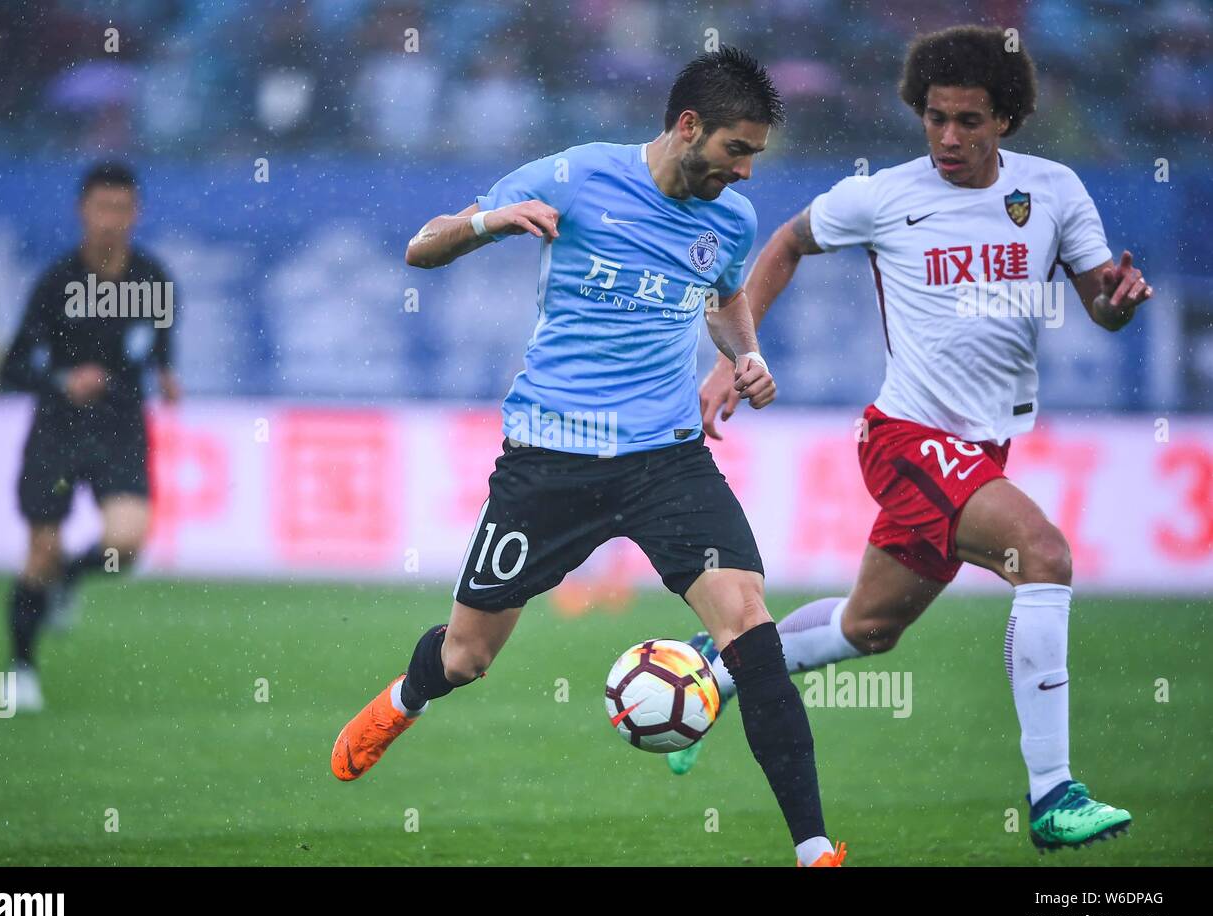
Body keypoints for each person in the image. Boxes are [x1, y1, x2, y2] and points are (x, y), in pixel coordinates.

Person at [330, 48, 846, 867]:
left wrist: (743, 357)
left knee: (751, 626)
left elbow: (725, 298)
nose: (745, 172)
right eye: (736, 150)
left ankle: (815, 848)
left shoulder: (728, 221)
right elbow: (420, 249)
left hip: (666, 459)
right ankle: (407, 696)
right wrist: (489, 222)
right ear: (688, 127)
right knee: (468, 657)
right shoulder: (573, 176)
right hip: (551, 458)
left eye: (755, 154)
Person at [673, 26, 1145, 854]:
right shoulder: (883, 196)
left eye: (969, 121)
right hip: (906, 439)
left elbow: (1102, 305)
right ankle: (1052, 793)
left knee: (867, 629)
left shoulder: (1057, 192)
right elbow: (786, 241)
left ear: (1008, 119)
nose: (949, 138)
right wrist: (738, 356)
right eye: (935, 119)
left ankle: (716, 669)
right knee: (1044, 554)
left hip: (982, 451)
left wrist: (1120, 301)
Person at [0, 161, 181, 712]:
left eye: (122, 209)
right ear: (83, 211)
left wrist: (166, 376)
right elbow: (10, 368)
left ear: (136, 213)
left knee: (126, 543)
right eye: (102, 208)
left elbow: (158, 350)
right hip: (58, 425)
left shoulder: (154, 279)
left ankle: (67, 582)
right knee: (41, 550)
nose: (111, 221)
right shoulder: (57, 282)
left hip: (119, 424)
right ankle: (21, 667)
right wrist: (62, 378)